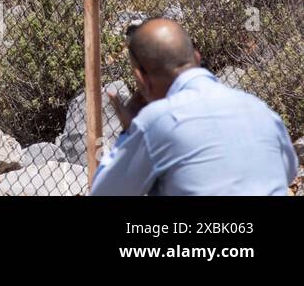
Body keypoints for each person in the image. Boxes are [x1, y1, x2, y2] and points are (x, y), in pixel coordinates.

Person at [91, 18, 298, 195]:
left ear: (141, 79)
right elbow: (288, 171)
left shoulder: (157, 121)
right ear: (197, 56)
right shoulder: (261, 110)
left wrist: (128, 132)